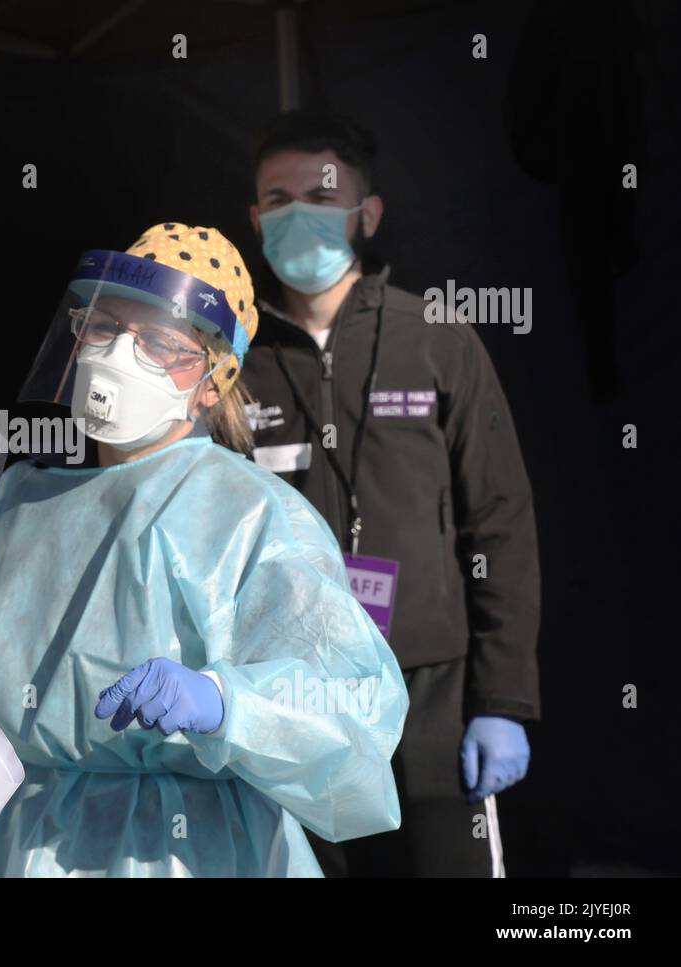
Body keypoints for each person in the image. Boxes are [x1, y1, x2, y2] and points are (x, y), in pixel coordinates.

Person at [0, 224, 408, 876]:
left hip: (186, 852)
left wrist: (227, 701)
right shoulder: (14, 503)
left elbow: (356, 707)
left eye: (162, 343)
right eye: (106, 327)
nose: (119, 355)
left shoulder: (252, 514)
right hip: (11, 844)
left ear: (212, 383)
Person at [241, 111, 540, 876]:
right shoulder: (235, 363)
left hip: (435, 698)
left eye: (322, 192)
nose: (299, 211)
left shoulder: (437, 338)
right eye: (278, 198)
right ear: (254, 217)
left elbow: (499, 524)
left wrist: (502, 700)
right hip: (297, 697)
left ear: (366, 213)